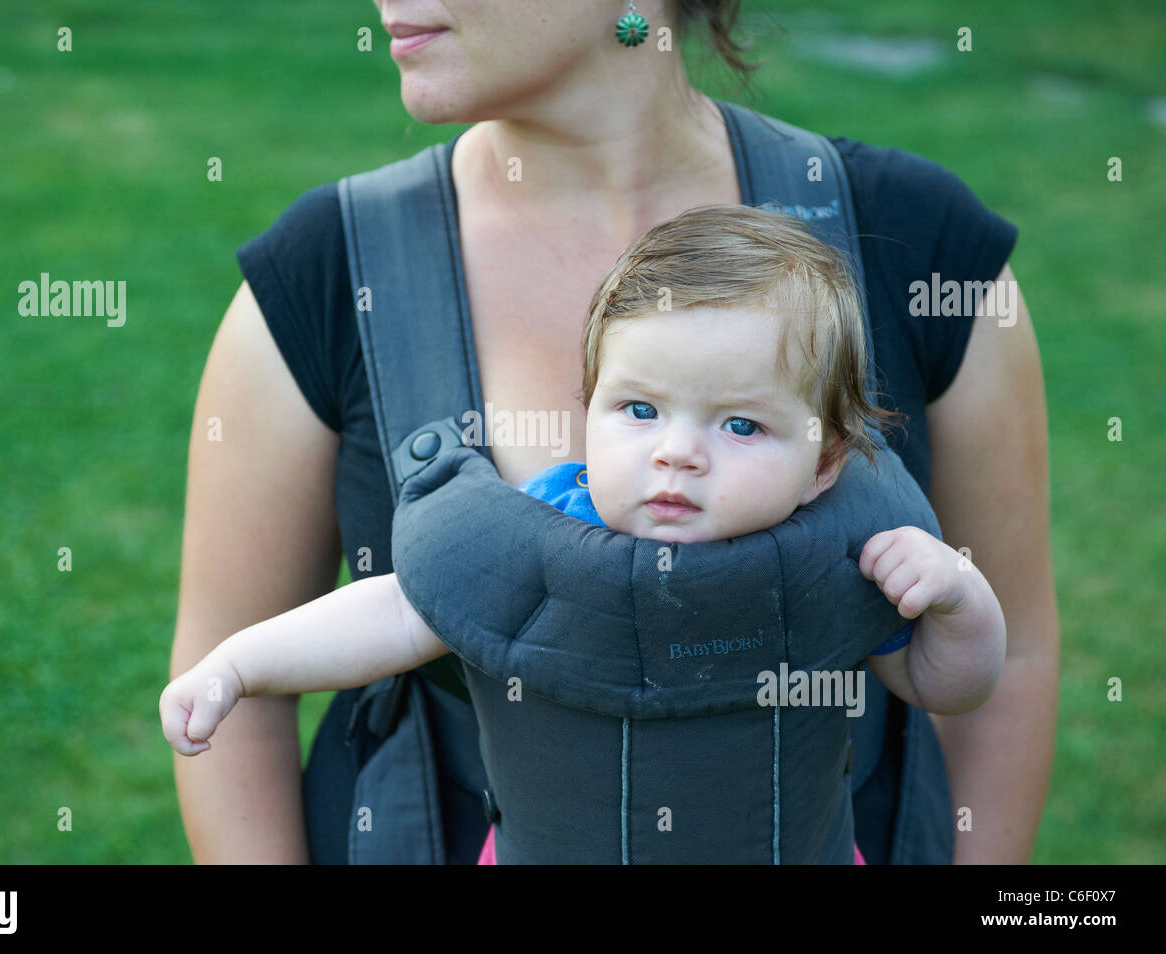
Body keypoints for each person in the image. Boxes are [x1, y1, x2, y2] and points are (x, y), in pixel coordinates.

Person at [169, 0, 1057, 864]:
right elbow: (283, 655)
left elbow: (1004, 660)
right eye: (636, 410)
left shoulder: (924, 249)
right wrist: (235, 672)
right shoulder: (322, 276)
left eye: (742, 424)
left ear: (827, 459)